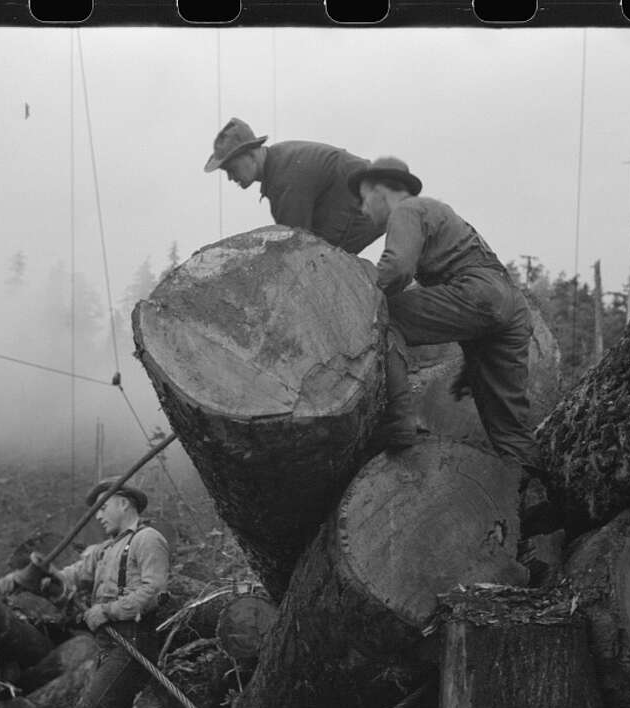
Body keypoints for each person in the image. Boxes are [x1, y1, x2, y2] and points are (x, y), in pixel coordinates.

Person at [348, 156, 542, 474]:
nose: (362, 210)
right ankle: (543, 500)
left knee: (384, 317)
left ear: (380, 191)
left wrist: (359, 295)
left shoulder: (406, 210)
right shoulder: (437, 211)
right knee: (510, 432)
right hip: (510, 305)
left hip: (478, 294)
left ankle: (397, 422)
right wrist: (476, 363)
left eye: (364, 198)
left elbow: (396, 271)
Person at [0, 483, 169, 708]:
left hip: (133, 645)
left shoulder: (148, 540)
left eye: (103, 507)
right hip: (109, 648)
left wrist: (108, 610)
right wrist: (18, 579)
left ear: (124, 503)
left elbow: (153, 592)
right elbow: (65, 578)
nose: (98, 515)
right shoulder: (101, 551)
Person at [203, 117, 383, 254]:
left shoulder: (284, 178)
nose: (230, 177)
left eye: (231, 168)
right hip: (365, 197)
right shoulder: (278, 162)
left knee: (317, 260)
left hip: (368, 201)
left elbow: (294, 245)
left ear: (251, 155)